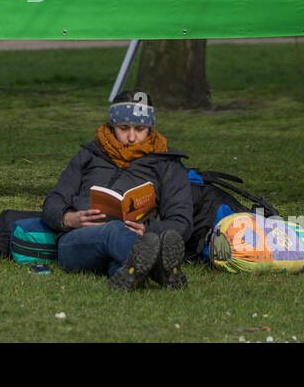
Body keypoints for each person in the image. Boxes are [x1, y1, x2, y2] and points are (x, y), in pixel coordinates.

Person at [41, 91, 194, 290]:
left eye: (140, 129)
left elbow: (182, 222)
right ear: (112, 127)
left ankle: (130, 273)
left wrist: (148, 229)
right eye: (124, 128)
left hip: (136, 239)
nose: (131, 137)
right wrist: (69, 218)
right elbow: (54, 199)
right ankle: (160, 269)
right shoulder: (89, 156)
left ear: (150, 128)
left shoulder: (168, 165)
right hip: (78, 241)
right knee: (113, 231)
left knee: (120, 258)